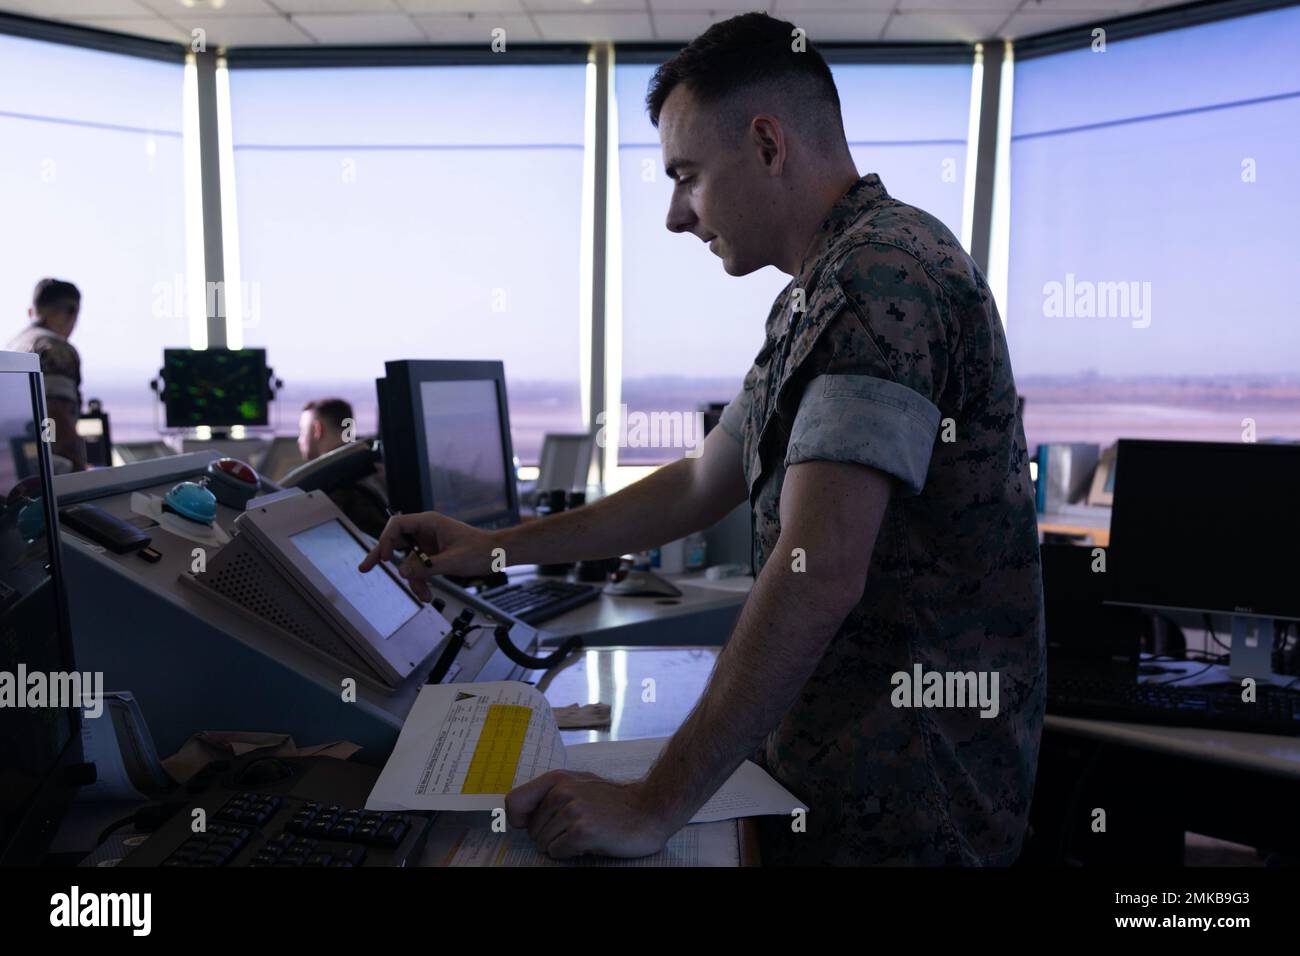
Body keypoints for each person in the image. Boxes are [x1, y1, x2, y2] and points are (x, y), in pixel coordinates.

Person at [361, 12, 1043, 866]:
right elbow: (699, 481)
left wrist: (651, 806)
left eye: (687, 176)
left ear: (767, 143)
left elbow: (821, 566)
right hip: (849, 769)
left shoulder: (877, 280)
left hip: (908, 798)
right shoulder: (824, 286)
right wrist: (495, 549)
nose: (677, 216)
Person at [6, 279, 87, 472]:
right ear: (72, 312)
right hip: (50, 470)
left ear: (32, 312)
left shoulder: (13, 346)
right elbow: (56, 415)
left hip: (17, 469)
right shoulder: (55, 350)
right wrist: (78, 472)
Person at [298, 398, 388, 538]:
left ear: (317, 429)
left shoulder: (332, 489)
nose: (300, 439)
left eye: (302, 431)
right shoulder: (373, 468)